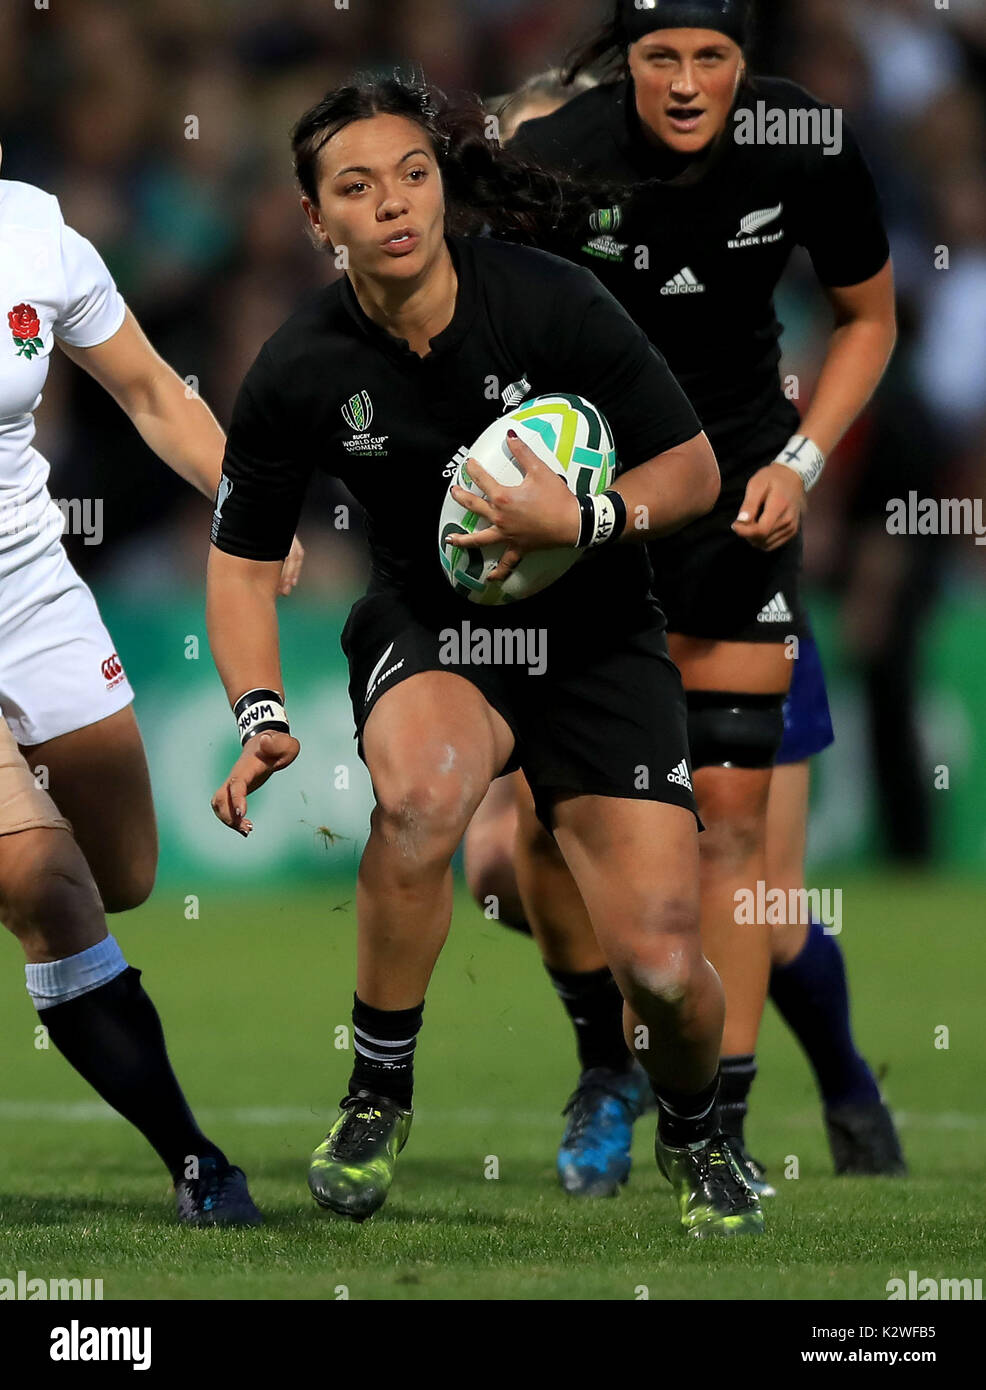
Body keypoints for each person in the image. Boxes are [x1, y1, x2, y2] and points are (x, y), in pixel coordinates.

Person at [207, 73, 765, 1237]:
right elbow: (242, 558)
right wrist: (257, 705)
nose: (394, 203)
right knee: (418, 801)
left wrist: (583, 518)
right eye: (356, 188)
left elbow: (694, 472)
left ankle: (699, 1132)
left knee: (662, 967)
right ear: (319, 222)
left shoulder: (550, 303)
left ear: (442, 186)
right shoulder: (300, 365)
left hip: (601, 634)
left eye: (412, 174)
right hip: (433, 625)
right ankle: (375, 1097)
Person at [468, 0, 899, 1195]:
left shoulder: (802, 140)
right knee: (541, 835)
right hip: (589, 518)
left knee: (735, 841)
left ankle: (720, 1132)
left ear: (745, 60)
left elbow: (869, 316)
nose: (685, 81)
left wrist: (801, 464)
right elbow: (486, 331)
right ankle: (606, 1065)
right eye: (661, 56)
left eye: (711, 56)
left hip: (737, 508)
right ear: (628, 60)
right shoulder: (560, 158)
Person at [0, 159, 273, 1223]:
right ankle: (196, 1159)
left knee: (121, 872)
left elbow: (154, 389)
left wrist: (244, 507)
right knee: (45, 885)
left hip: (32, 592)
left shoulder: (32, 229)